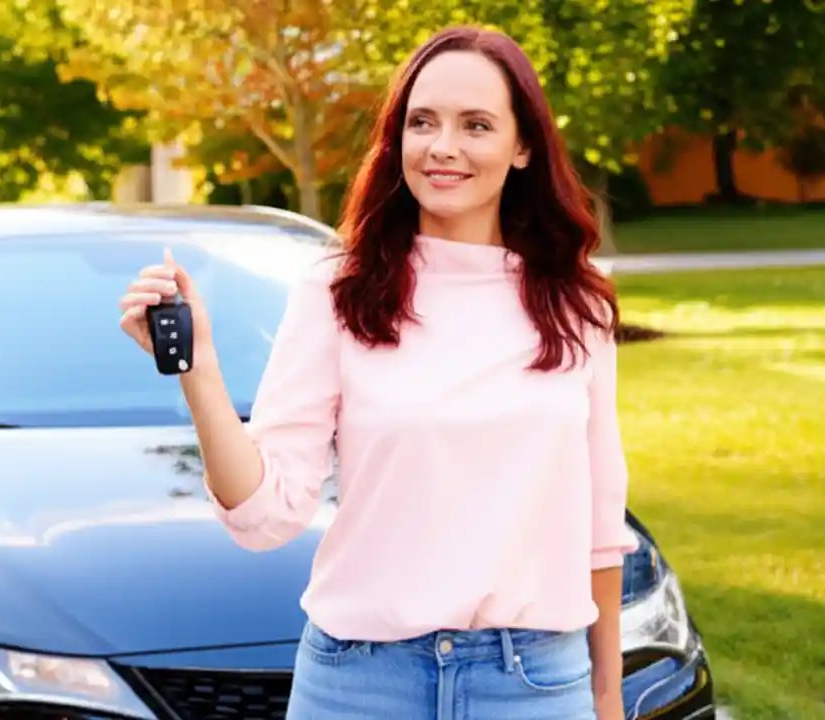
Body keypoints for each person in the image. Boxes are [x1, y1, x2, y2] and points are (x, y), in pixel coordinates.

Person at [118, 25, 637, 720]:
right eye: (422, 122)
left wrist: (607, 700)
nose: (443, 147)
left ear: (523, 148)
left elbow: (600, 526)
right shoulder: (339, 291)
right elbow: (265, 516)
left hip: (534, 686)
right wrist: (199, 371)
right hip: (359, 687)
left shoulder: (576, 303)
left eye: (475, 125)